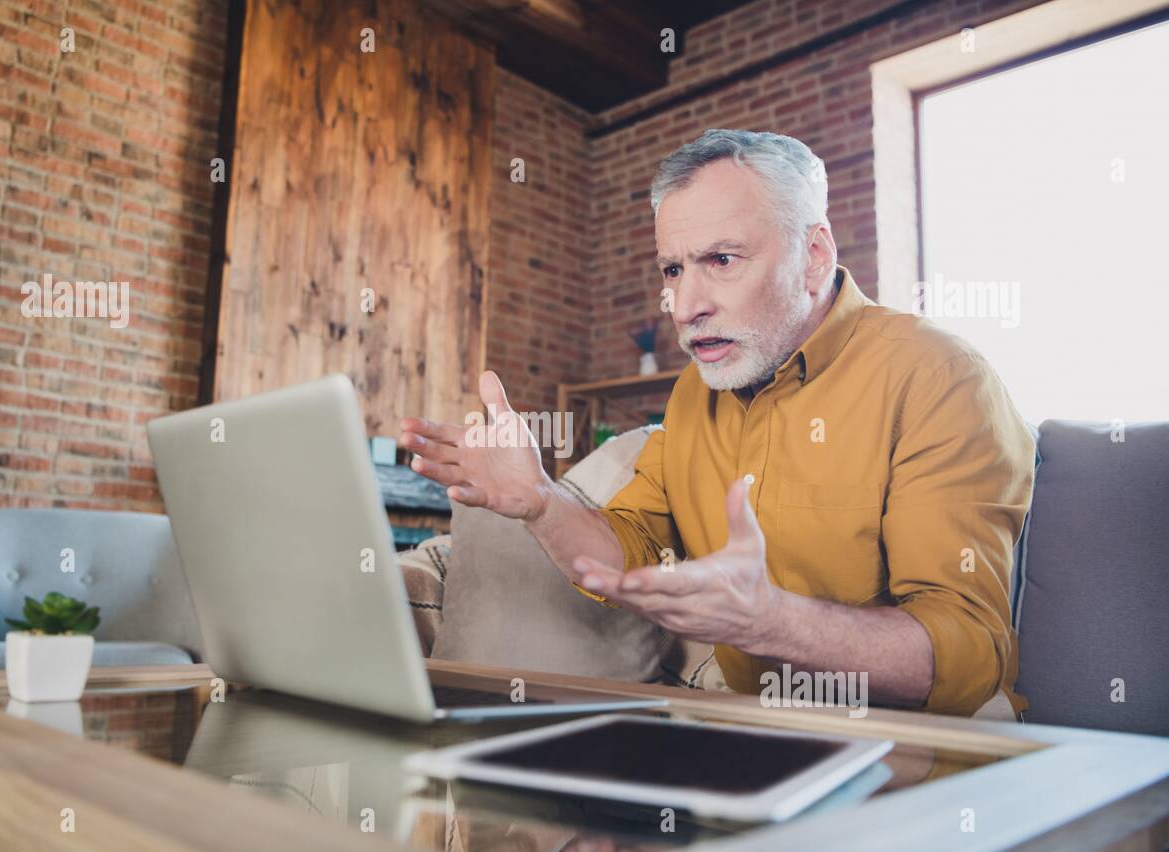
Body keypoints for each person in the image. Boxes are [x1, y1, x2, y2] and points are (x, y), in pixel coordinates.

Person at [399, 129, 1034, 718]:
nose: (687, 305)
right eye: (672, 269)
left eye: (723, 260)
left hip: (925, 741)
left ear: (813, 255)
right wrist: (539, 502)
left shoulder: (939, 376)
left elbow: (968, 651)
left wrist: (771, 621)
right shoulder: (690, 396)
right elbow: (634, 551)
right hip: (753, 730)